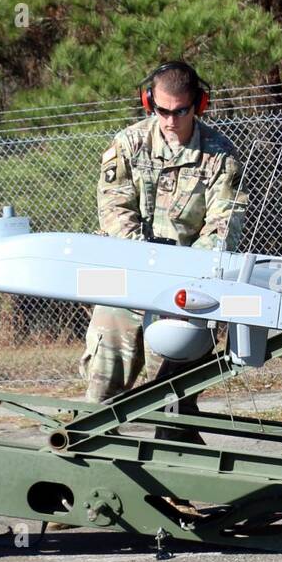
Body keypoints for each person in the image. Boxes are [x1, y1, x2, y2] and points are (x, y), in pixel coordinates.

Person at [80, 61, 247, 439]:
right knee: (105, 380)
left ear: (199, 105)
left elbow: (224, 226)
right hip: (128, 279)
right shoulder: (128, 145)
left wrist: (182, 275)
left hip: (188, 287)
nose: (170, 120)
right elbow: (114, 211)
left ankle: (177, 456)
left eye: (180, 111)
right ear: (148, 102)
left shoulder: (221, 156)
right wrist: (144, 263)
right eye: (162, 110)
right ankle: (92, 449)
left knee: (177, 396)